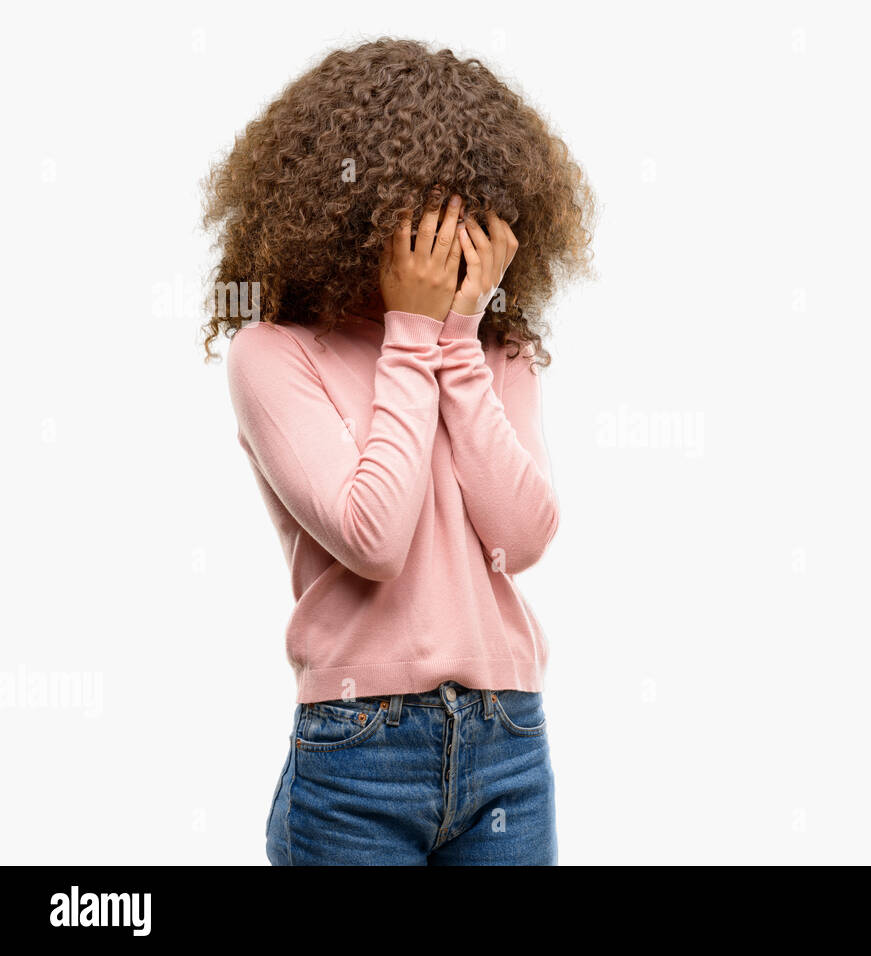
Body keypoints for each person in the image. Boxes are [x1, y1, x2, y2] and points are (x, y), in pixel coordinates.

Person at [201, 37, 594, 865]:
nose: (451, 237)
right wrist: (415, 335)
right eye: (426, 213)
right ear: (355, 208)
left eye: (470, 213)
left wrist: (456, 342)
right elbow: (373, 537)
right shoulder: (274, 354)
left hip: (510, 741)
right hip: (359, 756)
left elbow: (520, 539)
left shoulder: (497, 353)